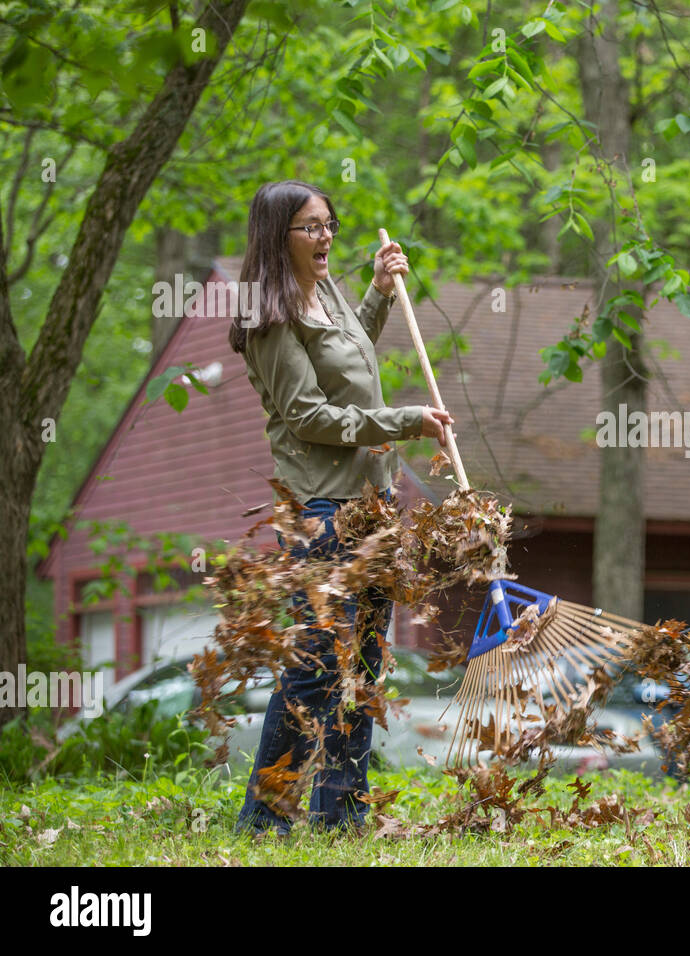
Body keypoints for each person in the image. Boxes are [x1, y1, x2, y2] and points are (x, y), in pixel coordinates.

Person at [227, 180, 453, 834]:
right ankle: (263, 819)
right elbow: (308, 415)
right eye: (310, 228)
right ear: (278, 237)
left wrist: (378, 293)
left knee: (362, 669)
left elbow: (350, 365)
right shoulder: (270, 315)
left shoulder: (326, 294)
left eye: (329, 225)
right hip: (322, 509)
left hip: (372, 506)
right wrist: (406, 421)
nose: (326, 238)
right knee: (314, 671)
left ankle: (340, 816)